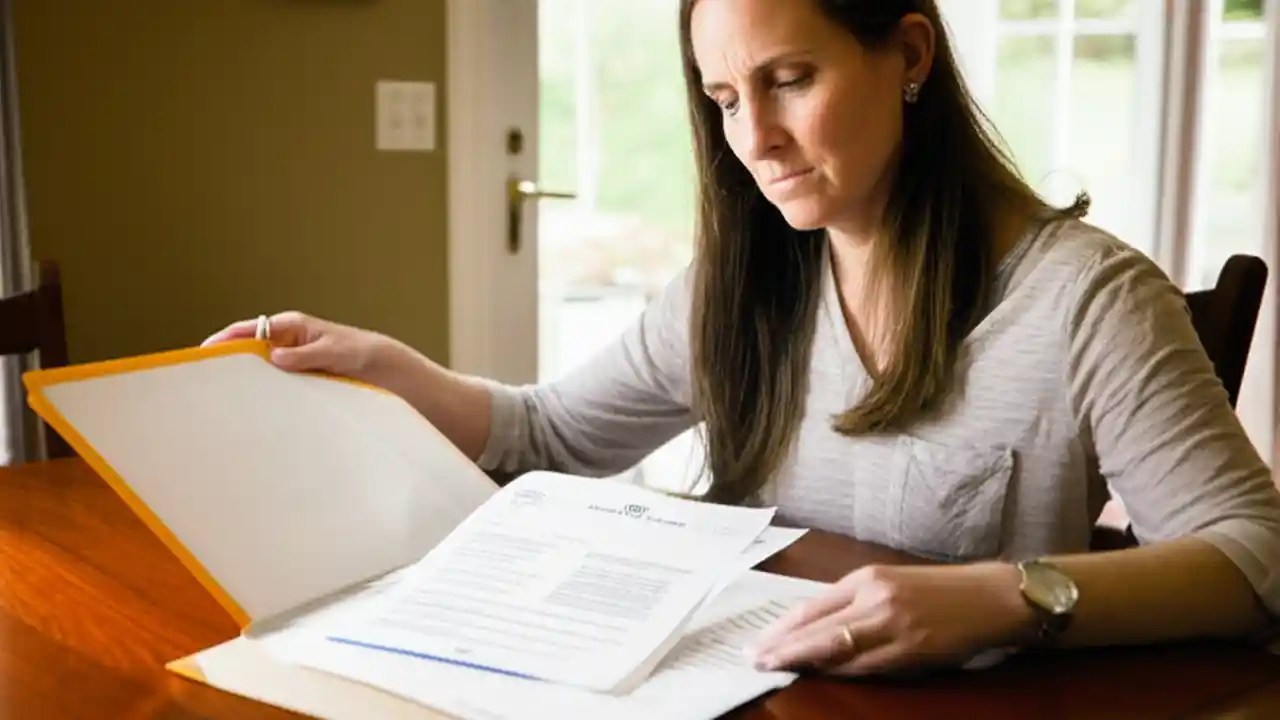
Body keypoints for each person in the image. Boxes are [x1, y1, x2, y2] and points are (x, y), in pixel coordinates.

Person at [205, 0, 1280, 678]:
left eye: (788, 79)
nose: (751, 140)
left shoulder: (1087, 302)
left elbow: (1254, 555)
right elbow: (545, 434)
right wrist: (389, 369)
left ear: (906, 51)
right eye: (723, 97)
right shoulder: (740, 281)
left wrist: (1004, 594)